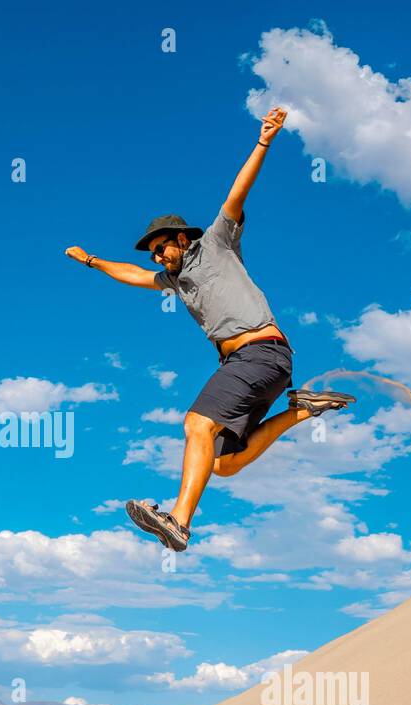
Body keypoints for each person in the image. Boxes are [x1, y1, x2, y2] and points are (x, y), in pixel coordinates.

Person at [65, 107, 355, 552]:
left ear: (181, 239)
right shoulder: (174, 280)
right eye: (153, 255)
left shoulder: (217, 242)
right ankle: (302, 409)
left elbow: (237, 193)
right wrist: (91, 260)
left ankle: (179, 521)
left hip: (260, 353)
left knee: (197, 424)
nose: (157, 259)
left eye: (161, 249)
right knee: (223, 464)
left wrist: (264, 141)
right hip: (259, 364)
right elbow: (132, 275)